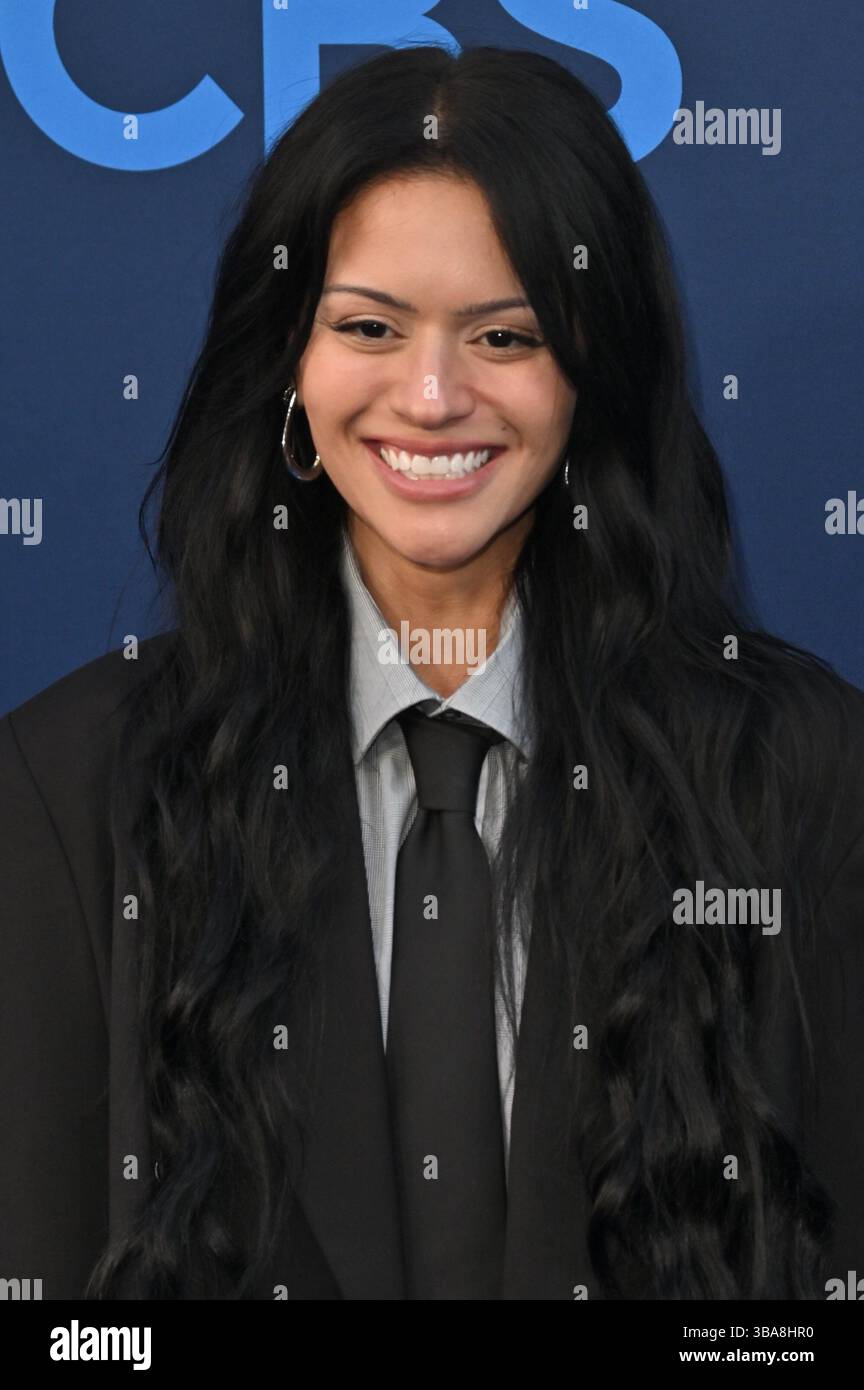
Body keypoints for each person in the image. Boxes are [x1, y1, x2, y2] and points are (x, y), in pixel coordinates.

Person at [1, 44, 862, 1303]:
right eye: (368, 326)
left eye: (504, 334)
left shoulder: (809, 771)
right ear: (287, 360)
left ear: (591, 375)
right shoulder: (67, 787)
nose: (433, 394)